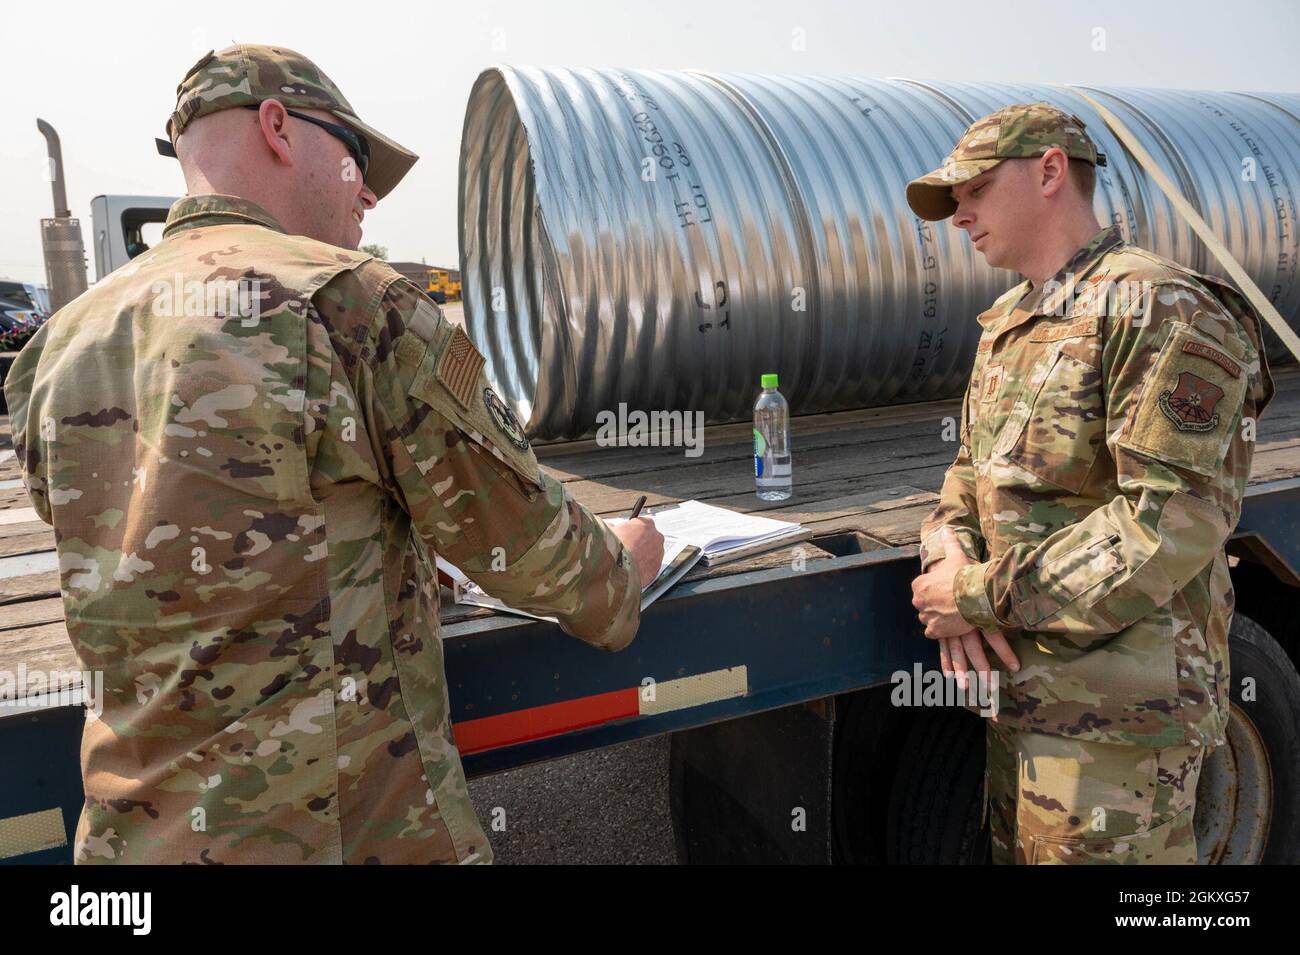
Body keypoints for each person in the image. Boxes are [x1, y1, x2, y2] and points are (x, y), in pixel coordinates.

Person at [3, 43, 663, 864]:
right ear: (278, 128)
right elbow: (529, 546)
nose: (370, 191)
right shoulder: (352, 300)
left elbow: (150, 544)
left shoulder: (60, 344)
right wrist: (621, 572)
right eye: (354, 157)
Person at [906, 103, 1273, 864]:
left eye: (972, 189)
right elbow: (970, 471)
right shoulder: (1012, 320)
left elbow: (1166, 525)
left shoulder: (1159, 306)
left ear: (1048, 171)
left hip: (1120, 735)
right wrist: (947, 552)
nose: (959, 215)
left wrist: (978, 595)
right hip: (1028, 711)